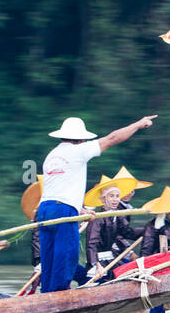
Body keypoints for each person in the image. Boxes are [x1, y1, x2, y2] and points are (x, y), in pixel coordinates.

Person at [36, 114, 157, 293]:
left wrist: (80, 209)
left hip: (45, 209)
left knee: (49, 257)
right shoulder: (79, 151)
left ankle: (46, 293)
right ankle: (56, 297)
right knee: (66, 256)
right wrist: (138, 125)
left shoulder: (52, 155)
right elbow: (113, 138)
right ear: (81, 138)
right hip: (63, 210)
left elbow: (59, 189)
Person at [82, 177, 143, 284]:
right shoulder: (97, 219)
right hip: (98, 262)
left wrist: (151, 229)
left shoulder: (117, 216)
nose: (115, 199)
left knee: (133, 274)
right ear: (103, 199)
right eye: (111, 196)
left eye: (117, 196)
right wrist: (97, 265)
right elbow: (91, 245)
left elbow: (127, 232)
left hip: (111, 259)